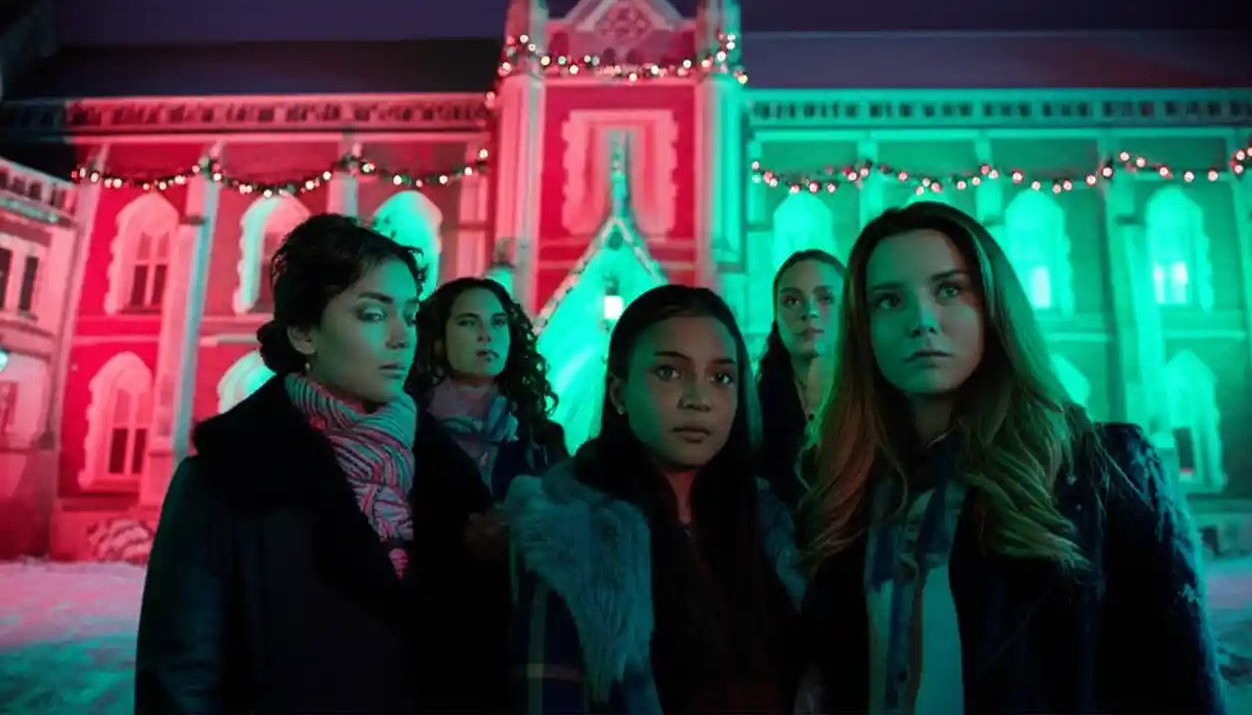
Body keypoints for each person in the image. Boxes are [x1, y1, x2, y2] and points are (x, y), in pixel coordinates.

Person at [797, 202, 1226, 714]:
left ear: (994, 306)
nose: (922, 320)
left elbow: (1179, 686)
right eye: (888, 301)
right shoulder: (852, 490)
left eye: (950, 290)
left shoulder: (1102, 474)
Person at [135, 214, 433, 713]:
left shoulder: (446, 474)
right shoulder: (227, 480)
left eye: (411, 313)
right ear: (303, 333)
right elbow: (181, 677)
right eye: (373, 315)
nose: (403, 337)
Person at [505, 284, 807, 714]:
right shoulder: (569, 538)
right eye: (669, 372)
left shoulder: (772, 525)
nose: (698, 400)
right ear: (619, 393)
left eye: (721, 377)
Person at [407, 276, 567, 712]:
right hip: (425, 639)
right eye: (468, 322)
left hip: (512, 642)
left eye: (498, 322)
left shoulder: (539, 438)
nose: (486, 334)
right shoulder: (406, 433)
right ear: (437, 341)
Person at [756, 249, 845, 510]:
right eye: (792, 301)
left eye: (826, 298)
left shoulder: (880, 409)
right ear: (776, 317)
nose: (810, 312)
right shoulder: (753, 412)